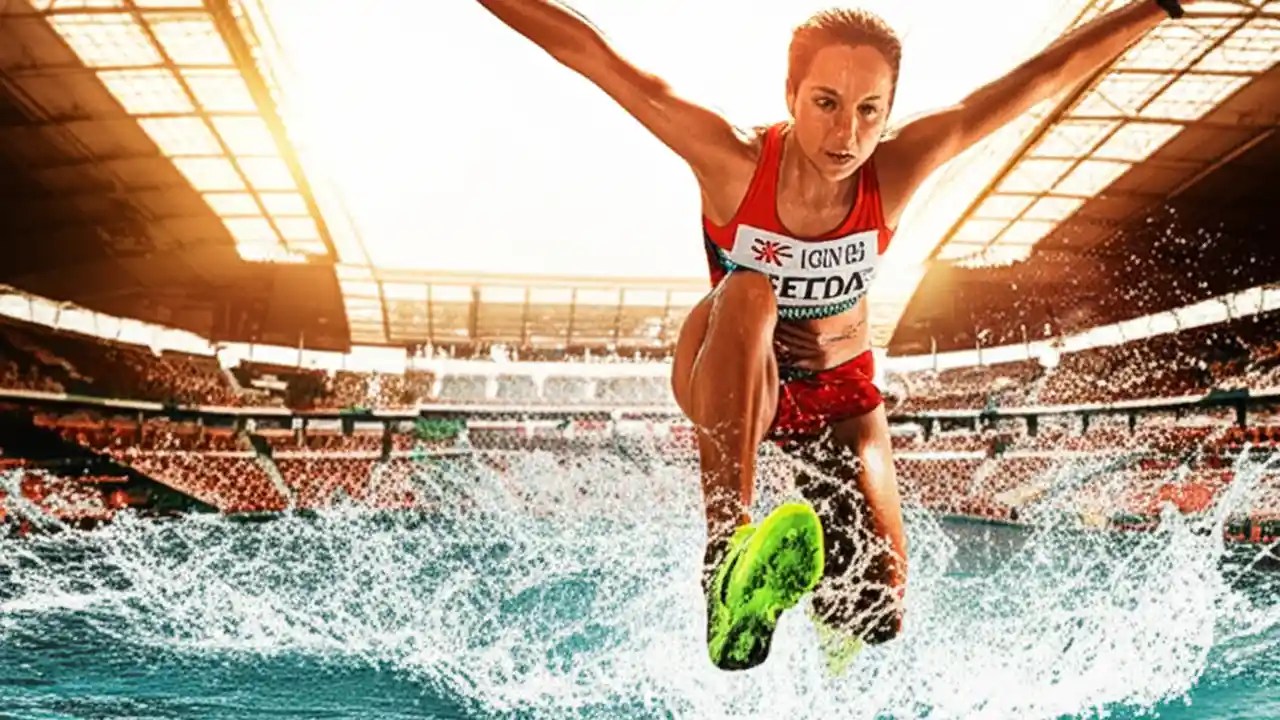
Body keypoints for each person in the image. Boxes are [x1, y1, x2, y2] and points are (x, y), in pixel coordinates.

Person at [478, 0, 1191, 671]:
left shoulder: (901, 167)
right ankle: (726, 553)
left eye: (868, 112)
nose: (845, 135)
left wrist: (1155, 6)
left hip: (842, 399)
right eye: (826, 104)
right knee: (752, 290)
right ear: (791, 94)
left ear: (888, 115)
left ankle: (822, 602)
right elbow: (592, 54)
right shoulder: (730, 159)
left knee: (878, 617)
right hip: (732, 370)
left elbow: (1034, 81)